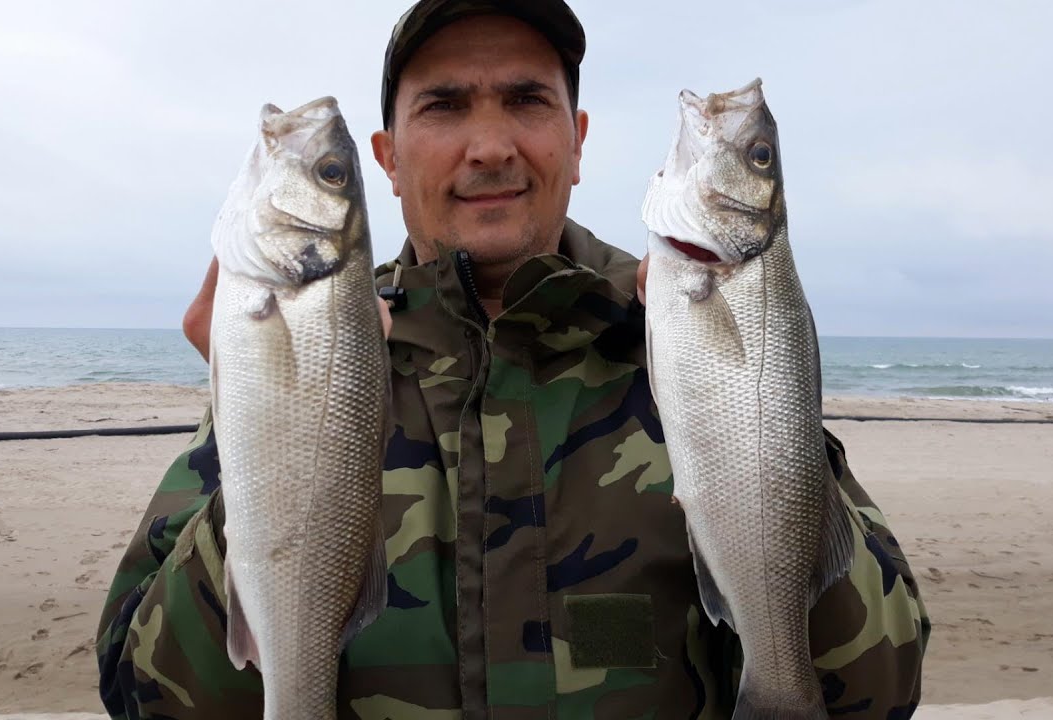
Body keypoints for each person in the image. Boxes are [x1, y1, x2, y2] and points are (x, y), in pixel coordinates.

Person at [95, 1, 930, 717]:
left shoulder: (670, 346)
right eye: (446, 106)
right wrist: (261, 424)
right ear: (386, 159)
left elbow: (883, 686)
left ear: (577, 140)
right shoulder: (306, 364)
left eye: (527, 100)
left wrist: (767, 410)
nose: (489, 145)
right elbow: (139, 693)